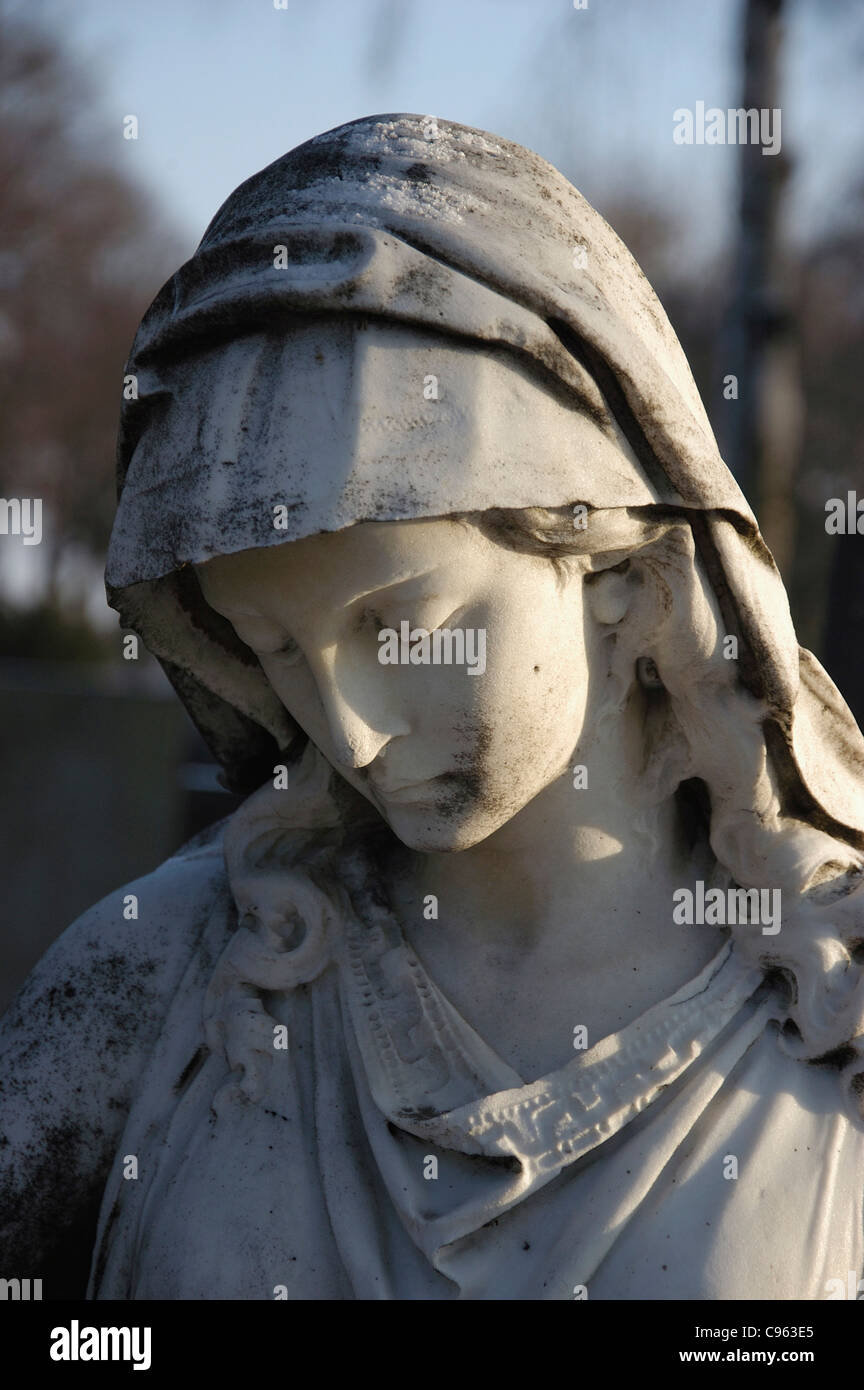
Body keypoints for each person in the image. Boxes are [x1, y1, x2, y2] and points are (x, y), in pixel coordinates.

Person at [3, 113, 864, 1301]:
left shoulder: (836, 1011)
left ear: (613, 576)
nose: (346, 730)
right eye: (276, 651)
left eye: (394, 622)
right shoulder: (149, 989)